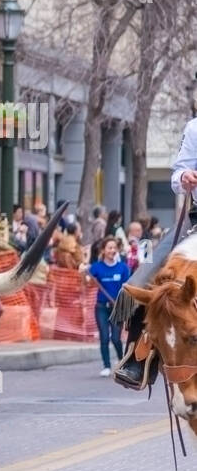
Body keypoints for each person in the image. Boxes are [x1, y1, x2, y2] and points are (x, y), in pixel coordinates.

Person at [113, 114, 197, 389]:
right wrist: (184, 177)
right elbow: (177, 175)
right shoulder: (195, 128)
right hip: (195, 221)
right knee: (146, 274)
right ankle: (138, 357)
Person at [84, 238, 127, 377]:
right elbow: (86, 282)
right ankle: (106, 365)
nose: (112, 251)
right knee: (104, 337)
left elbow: (128, 287)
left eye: (114, 248)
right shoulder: (96, 267)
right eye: (109, 248)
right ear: (103, 250)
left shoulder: (123, 268)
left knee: (115, 338)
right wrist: (83, 272)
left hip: (117, 308)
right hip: (101, 307)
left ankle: (122, 360)